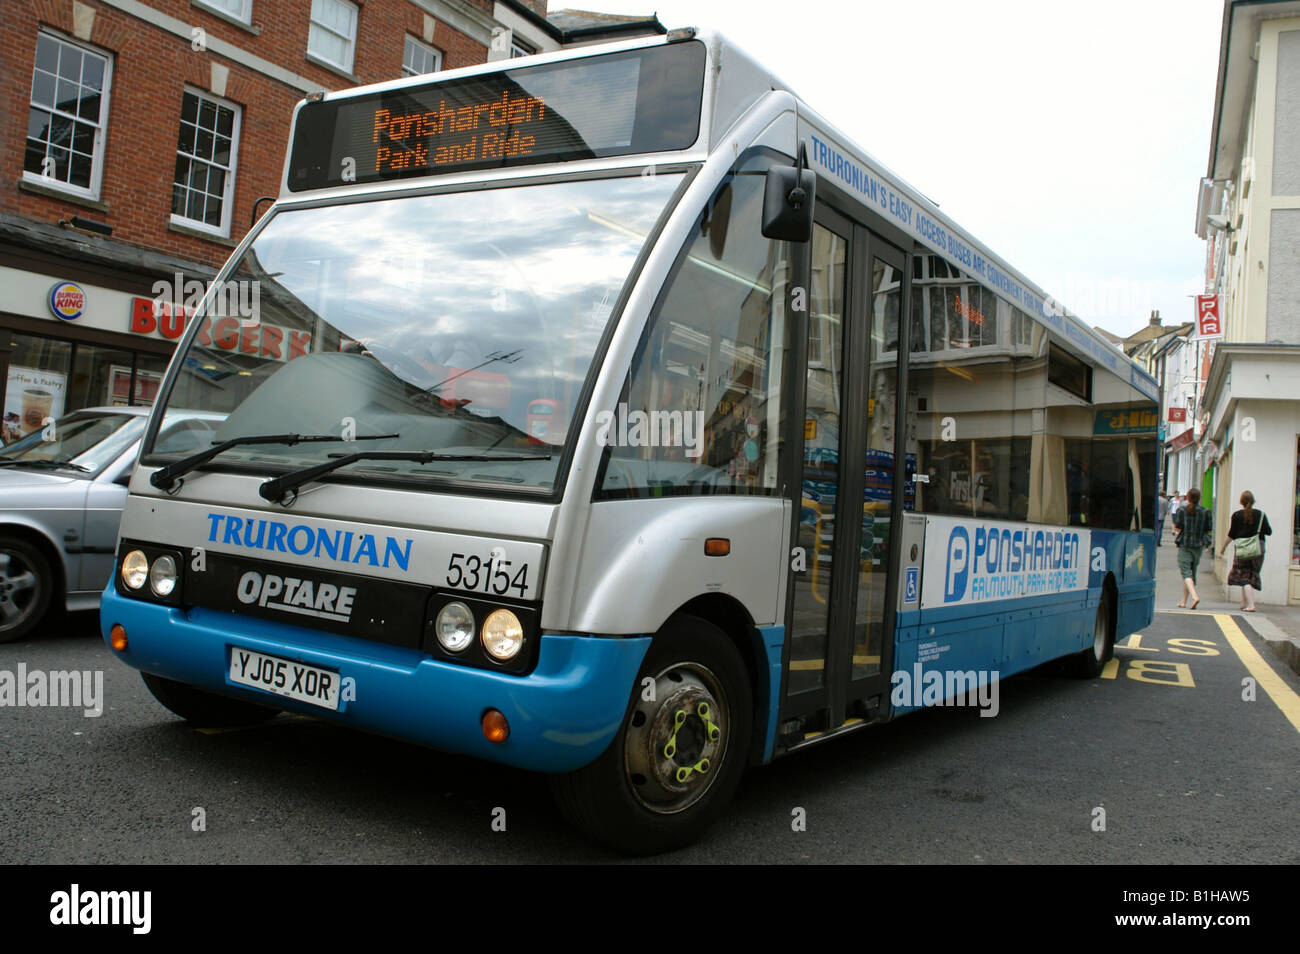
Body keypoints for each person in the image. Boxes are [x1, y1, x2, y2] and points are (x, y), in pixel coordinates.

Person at [1220, 490, 1272, 612]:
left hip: (1243, 549)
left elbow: (1231, 534)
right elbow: (1269, 531)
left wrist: (1223, 547)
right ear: (1253, 501)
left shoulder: (1237, 515)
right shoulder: (1261, 515)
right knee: (1251, 574)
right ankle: (1244, 603)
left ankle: (1251, 604)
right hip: (1258, 548)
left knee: (1244, 577)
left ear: (1241, 502)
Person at [1172, 488, 1212, 609]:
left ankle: (1195, 597)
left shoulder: (1182, 510)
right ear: (1199, 498)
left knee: (1185, 571)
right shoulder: (1206, 512)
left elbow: (1178, 526)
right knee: (1191, 572)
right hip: (1199, 545)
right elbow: (1209, 528)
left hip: (1185, 544)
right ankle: (1183, 601)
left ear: (1188, 498)